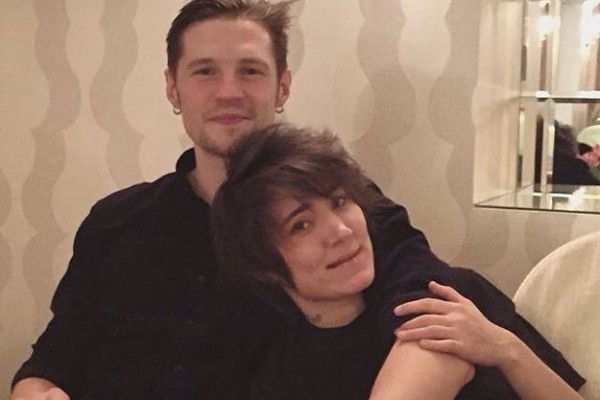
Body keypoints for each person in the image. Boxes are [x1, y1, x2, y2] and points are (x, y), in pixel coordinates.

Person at [9, 1, 456, 399]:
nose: (228, 92)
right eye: (205, 71)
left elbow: (437, 323)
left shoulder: (344, 212)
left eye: (250, 71)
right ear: (172, 88)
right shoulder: (115, 220)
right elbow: (53, 360)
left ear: (282, 87)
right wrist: (37, 391)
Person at [209, 123, 585, 400]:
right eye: (301, 225)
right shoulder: (284, 377)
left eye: (340, 201)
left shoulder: (454, 294)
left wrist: (507, 351)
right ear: (265, 267)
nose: (340, 230)